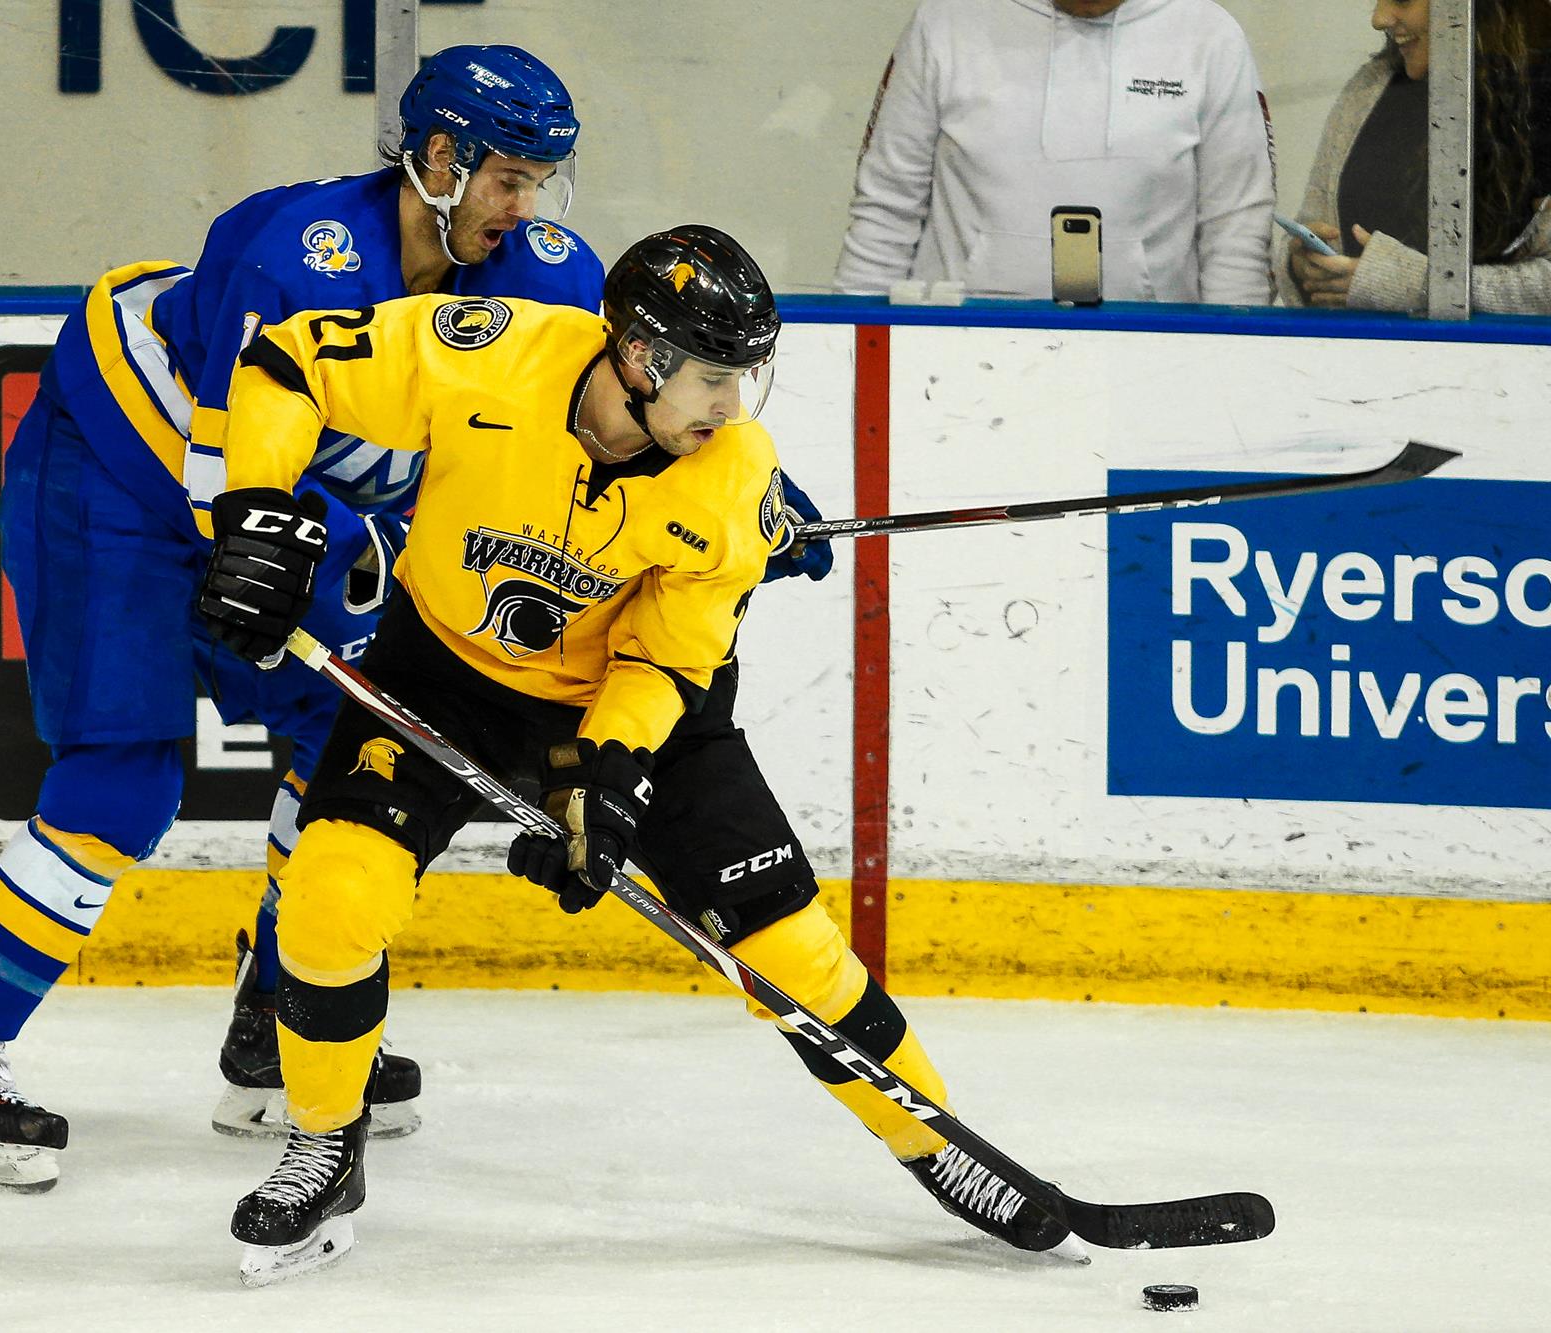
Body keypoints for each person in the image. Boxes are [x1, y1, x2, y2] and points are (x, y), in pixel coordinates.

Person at [199, 226, 1085, 1286]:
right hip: (441, 671)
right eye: (713, 377)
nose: (732, 406)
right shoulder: (491, 351)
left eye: (747, 377)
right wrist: (256, 509)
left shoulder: (734, 473)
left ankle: (936, 1141)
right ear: (639, 355)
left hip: (630, 700)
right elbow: (288, 361)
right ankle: (323, 1142)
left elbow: (664, 660)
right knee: (331, 897)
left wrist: (604, 781)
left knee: (788, 948)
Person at [0, 44, 606, 1192]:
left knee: (346, 742)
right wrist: (319, 554)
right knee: (122, 779)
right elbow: (236, 488)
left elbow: (603, 430)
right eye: (508, 179)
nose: (525, 210)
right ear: (437, 160)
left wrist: (731, 489)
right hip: (119, 470)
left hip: (288, 505)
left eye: (540, 183)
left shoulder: (544, 280)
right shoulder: (296, 255)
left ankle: (277, 1018)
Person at [832, 0, 1276, 304]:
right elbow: (886, 207)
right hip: (952, 350)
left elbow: (1236, 227)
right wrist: (850, 342)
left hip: (1152, 356)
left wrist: (1240, 360)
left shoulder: (1211, 36)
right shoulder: (943, 23)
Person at [1280, 0, 1551, 312]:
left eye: (1402, 0)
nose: (1379, 19)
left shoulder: (1540, 95)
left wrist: (1420, 286)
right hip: (1357, 343)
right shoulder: (1370, 86)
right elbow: (1313, 220)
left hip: (1490, 346)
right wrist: (1302, 266)